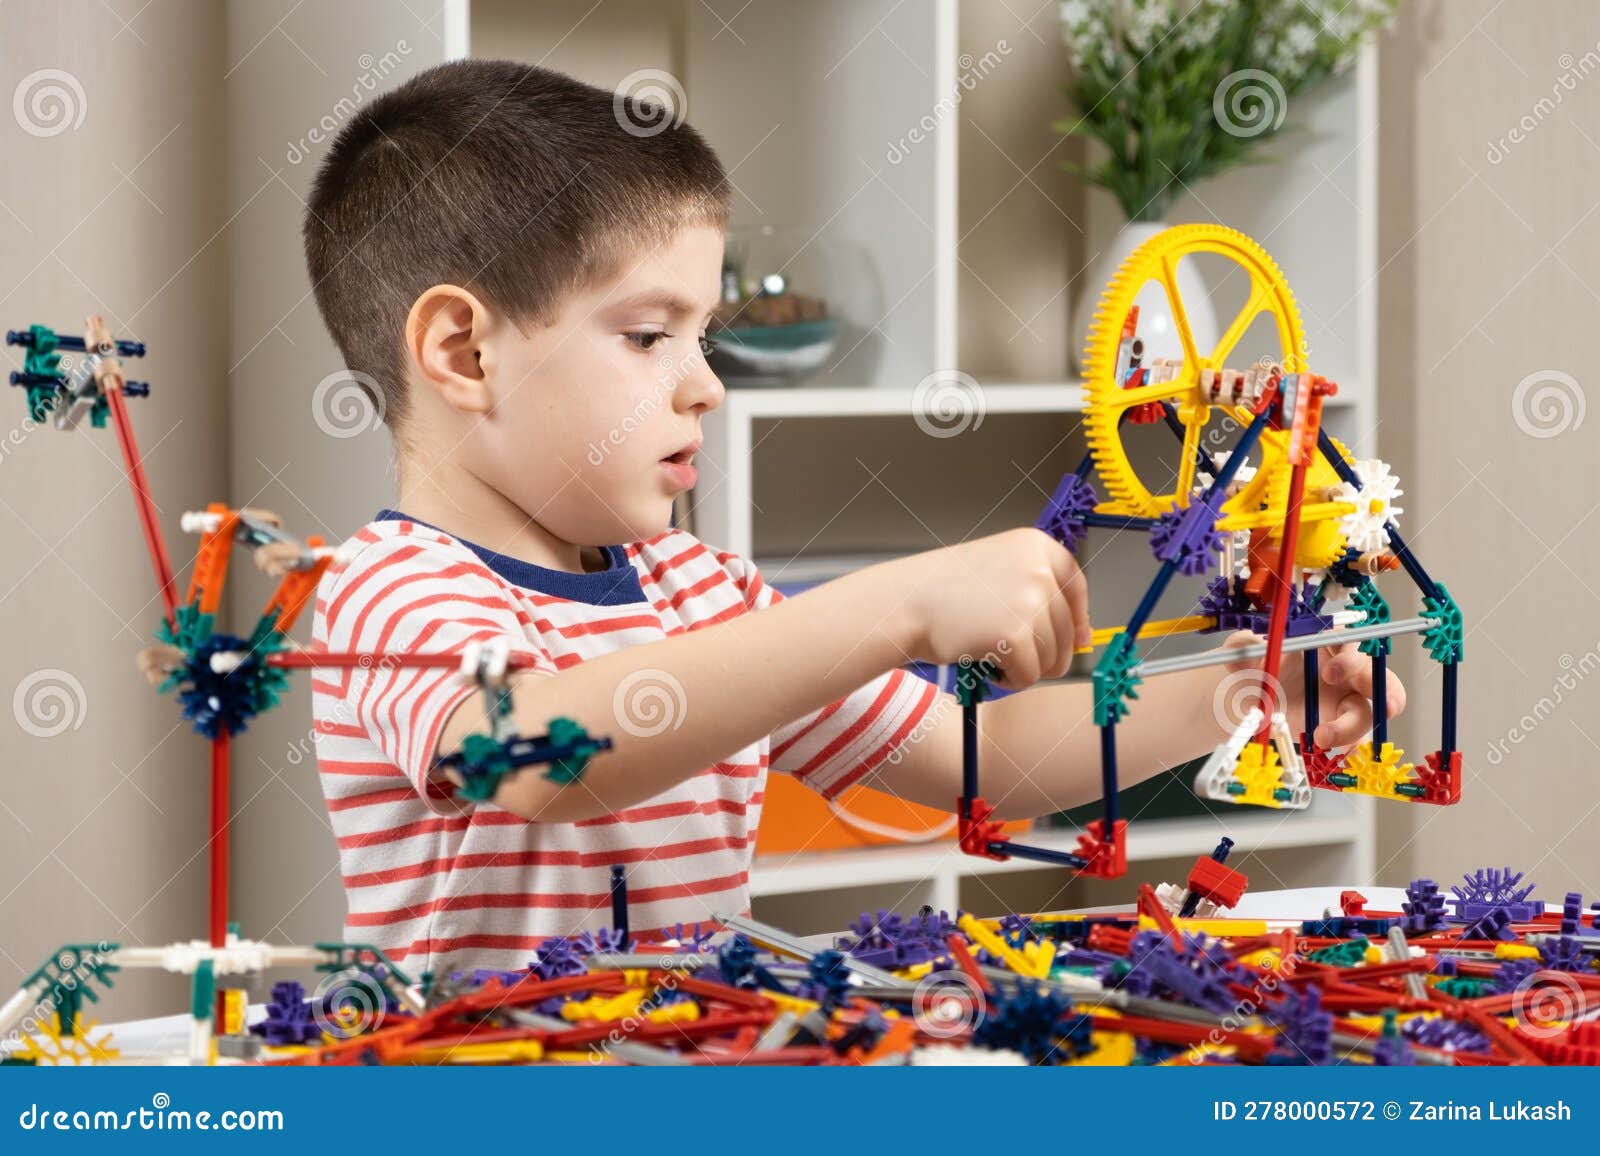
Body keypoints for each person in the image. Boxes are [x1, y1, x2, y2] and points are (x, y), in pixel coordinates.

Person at [302, 60, 1403, 976]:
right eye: (648, 337)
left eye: (705, 334)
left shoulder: (702, 590)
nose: (705, 385)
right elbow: (533, 757)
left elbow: (987, 759)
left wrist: (1250, 690)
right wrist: (896, 604)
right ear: (463, 351)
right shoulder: (387, 591)